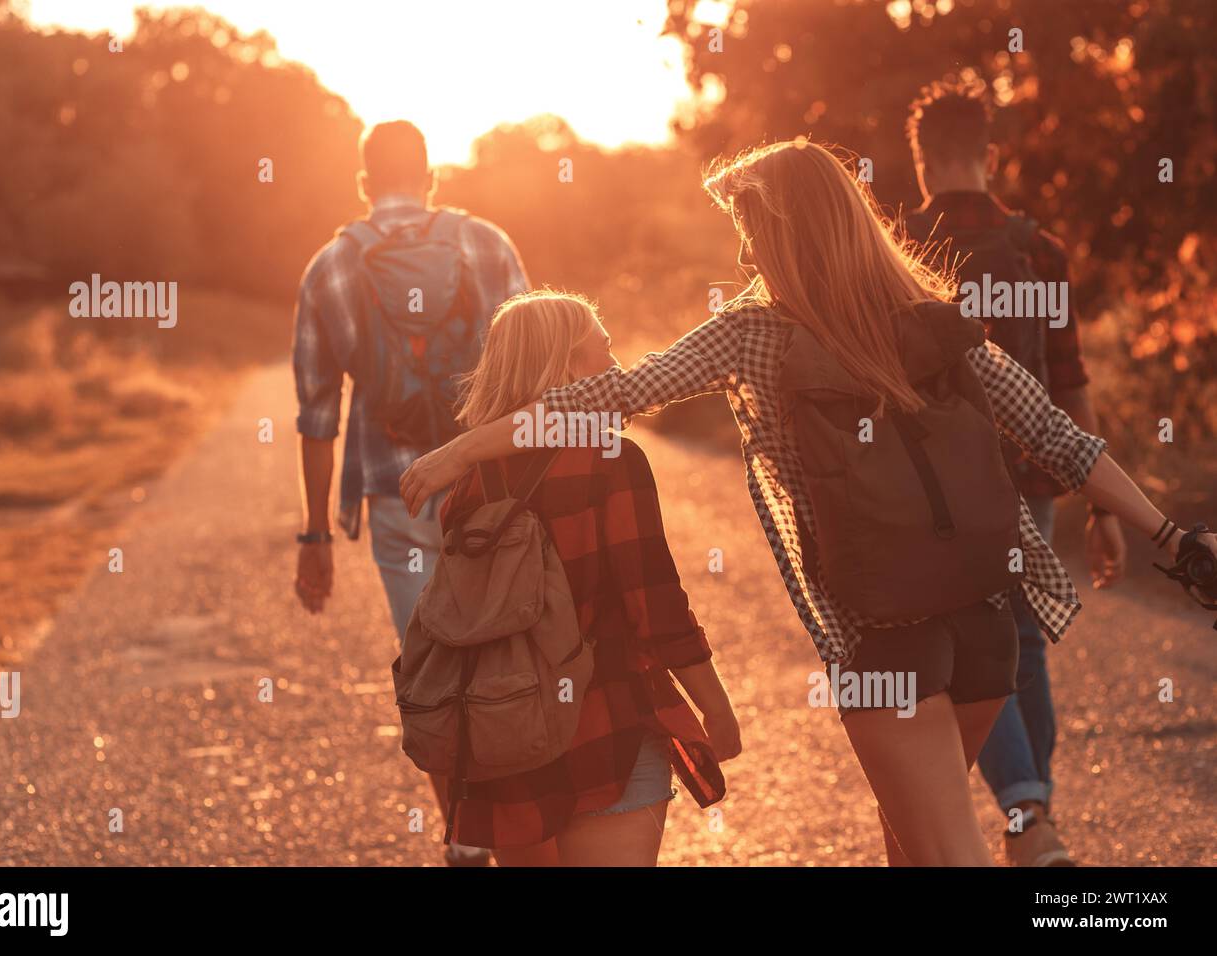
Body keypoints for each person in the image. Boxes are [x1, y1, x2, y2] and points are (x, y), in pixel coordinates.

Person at [399, 139, 1217, 866]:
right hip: (985, 628)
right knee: (913, 833)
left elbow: (616, 392)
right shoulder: (938, 322)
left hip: (879, 641)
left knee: (944, 850)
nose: (745, 249)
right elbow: (1060, 438)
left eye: (751, 231)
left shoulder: (756, 332)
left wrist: (464, 446)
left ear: (780, 232)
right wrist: (1174, 537)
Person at [291, 120, 528, 866]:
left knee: (432, 667)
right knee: (517, 654)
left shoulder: (330, 266)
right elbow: (541, 373)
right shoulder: (487, 245)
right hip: (496, 490)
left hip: (401, 500)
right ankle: (532, 823)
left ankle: (462, 838)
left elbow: (318, 415)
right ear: (430, 176)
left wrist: (317, 537)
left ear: (363, 184)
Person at [904, 78, 1124, 866]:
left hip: (935, 489)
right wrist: (1103, 508)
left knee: (973, 649)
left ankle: (1027, 814)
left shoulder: (899, 243)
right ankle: (1034, 822)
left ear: (922, 159)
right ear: (989, 156)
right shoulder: (1040, 249)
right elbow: (1070, 380)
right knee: (1023, 644)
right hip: (1032, 477)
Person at [440, 290, 737, 866]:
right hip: (607, 721)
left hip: (506, 733)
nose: (618, 366)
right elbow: (655, 604)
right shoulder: (613, 461)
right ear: (569, 367)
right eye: (604, 349)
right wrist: (715, 706)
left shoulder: (472, 481)